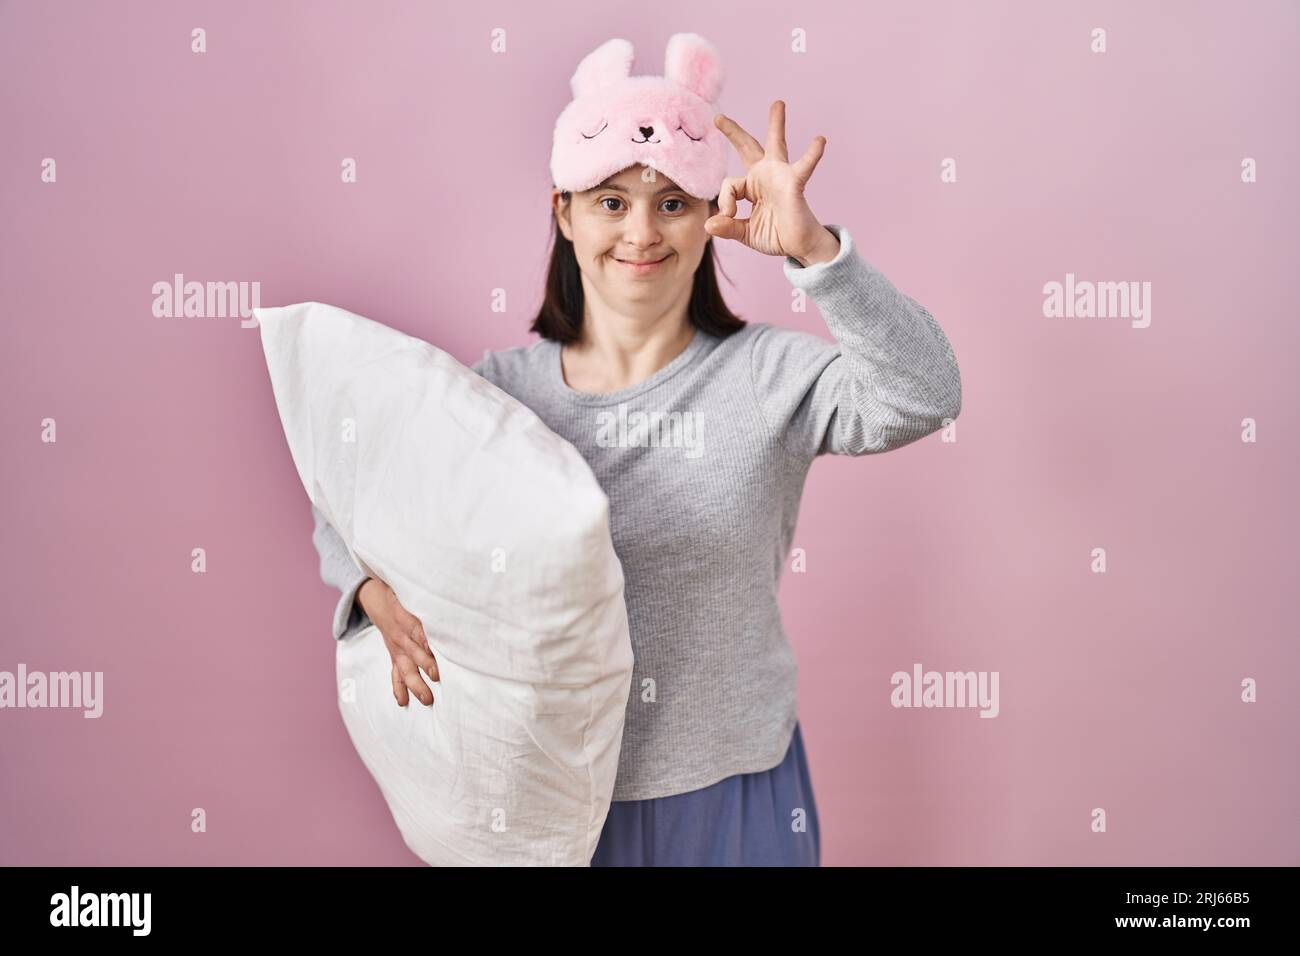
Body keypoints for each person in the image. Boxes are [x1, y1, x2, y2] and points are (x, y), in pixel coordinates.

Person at [310, 33, 961, 866]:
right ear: (565, 212)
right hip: (549, 797)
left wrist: (816, 251)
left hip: (734, 791)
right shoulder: (497, 394)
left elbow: (925, 391)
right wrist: (367, 587)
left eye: (672, 202)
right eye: (611, 201)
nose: (642, 233)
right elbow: (351, 492)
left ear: (711, 214)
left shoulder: (765, 375)